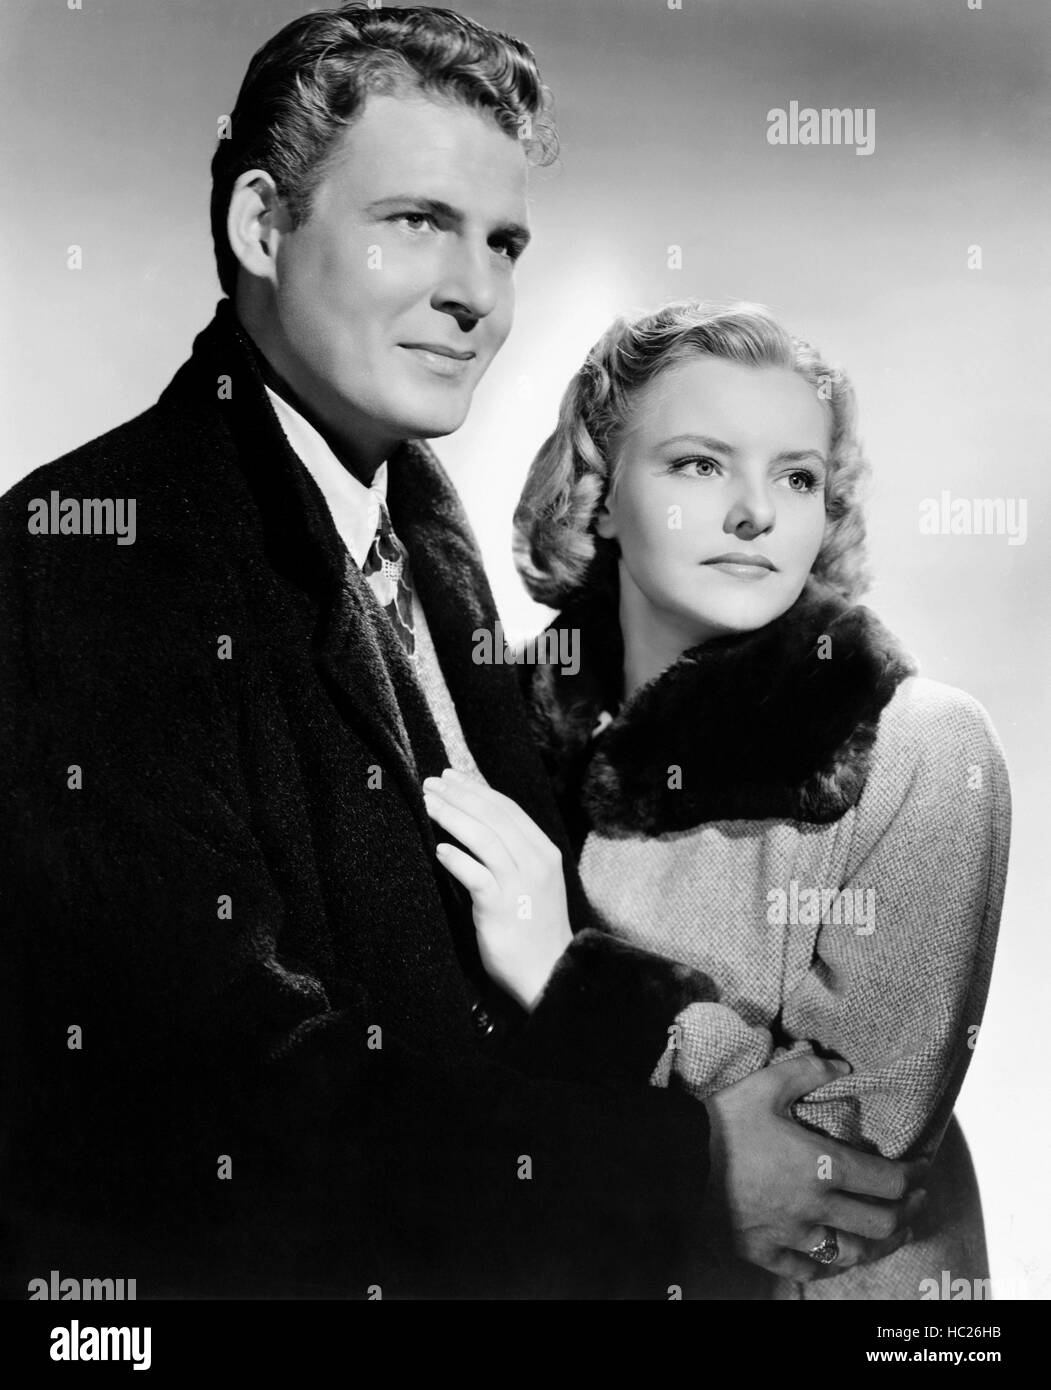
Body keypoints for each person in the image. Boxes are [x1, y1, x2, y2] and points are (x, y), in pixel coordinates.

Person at [0, 9, 920, 1300]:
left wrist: (722, 1080)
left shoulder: (422, 521)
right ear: (260, 227)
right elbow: (226, 1113)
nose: (475, 294)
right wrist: (691, 1168)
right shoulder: (86, 557)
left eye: (501, 242)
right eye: (415, 223)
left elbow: (509, 950)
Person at [459, 299, 1009, 1297]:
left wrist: (567, 979)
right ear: (596, 493)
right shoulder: (492, 738)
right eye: (699, 463)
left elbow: (846, 1151)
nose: (754, 511)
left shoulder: (919, 744)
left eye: (795, 476)